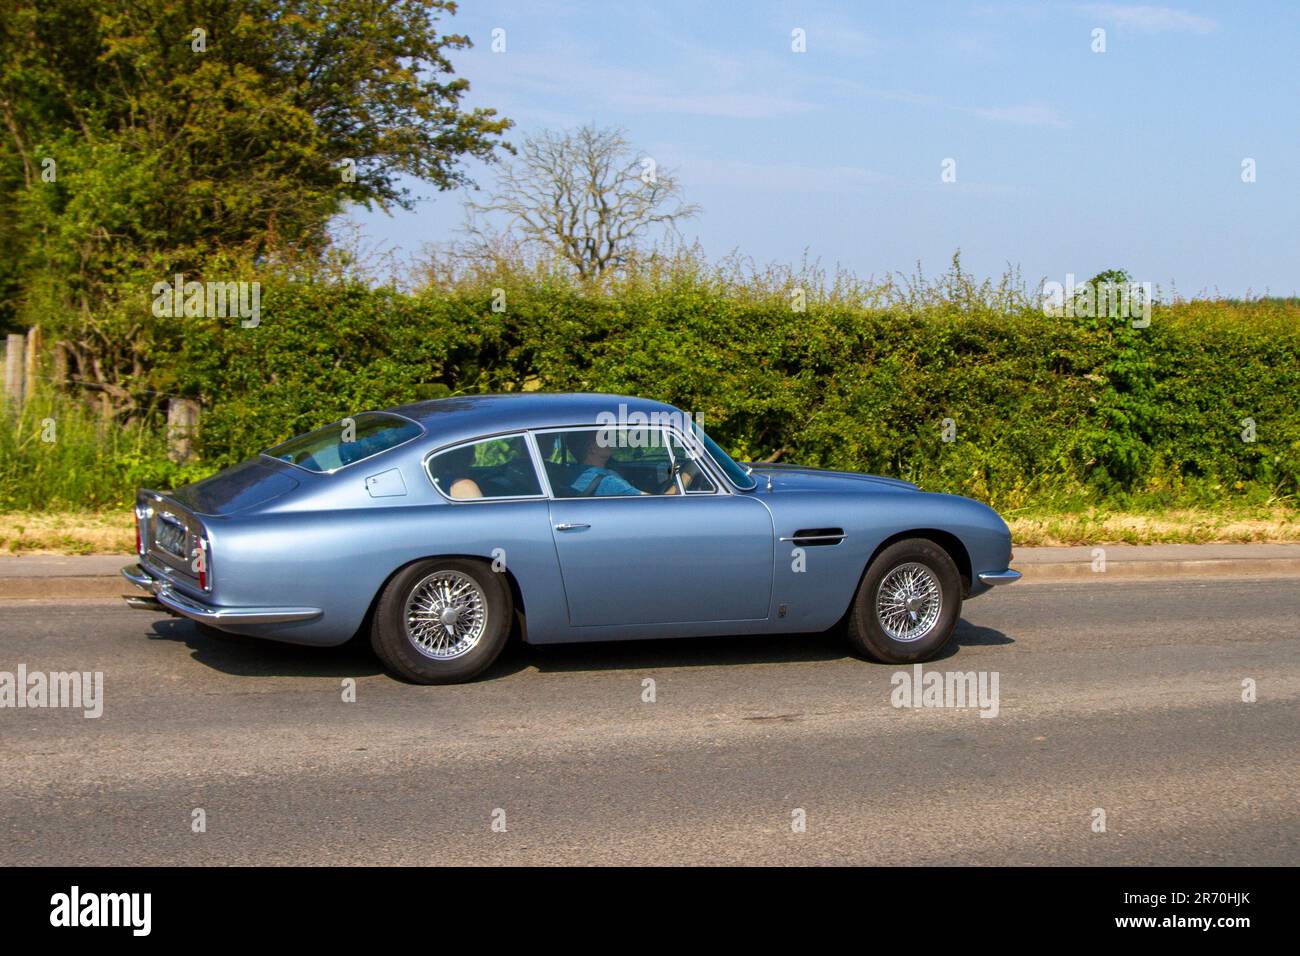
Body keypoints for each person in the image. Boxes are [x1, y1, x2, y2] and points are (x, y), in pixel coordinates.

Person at [568, 432, 693, 497]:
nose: (609, 440)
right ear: (592, 448)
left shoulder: (573, 472)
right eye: (603, 437)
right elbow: (663, 502)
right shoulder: (608, 482)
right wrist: (688, 473)